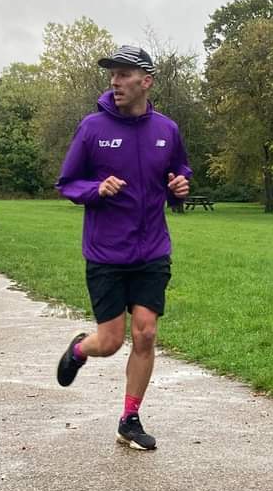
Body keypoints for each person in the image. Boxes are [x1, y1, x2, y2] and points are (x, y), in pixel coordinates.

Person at [55, 45, 191, 452]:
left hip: (152, 250)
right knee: (111, 341)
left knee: (146, 333)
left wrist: (180, 186)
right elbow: (67, 183)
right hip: (106, 252)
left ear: (146, 81)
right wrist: (96, 189)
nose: (115, 81)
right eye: (112, 74)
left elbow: (179, 170)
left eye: (123, 74)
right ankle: (80, 348)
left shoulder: (167, 130)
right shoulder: (92, 127)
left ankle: (129, 419)